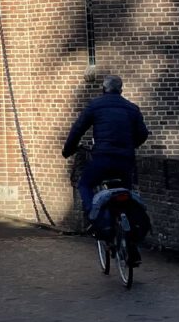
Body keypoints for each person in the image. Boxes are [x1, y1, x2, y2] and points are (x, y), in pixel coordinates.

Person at [62, 73, 148, 228]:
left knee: (85, 185)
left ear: (103, 89)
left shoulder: (95, 106)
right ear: (121, 90)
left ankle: (94, 217)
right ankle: (130, 236)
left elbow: (77, 130)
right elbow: (142, 134)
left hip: (103, 158)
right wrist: (129, 146)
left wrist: (68, 150)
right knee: (127, 192)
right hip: (125, 161)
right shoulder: (132, 108)